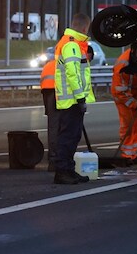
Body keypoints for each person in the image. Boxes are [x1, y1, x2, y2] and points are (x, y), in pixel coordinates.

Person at [52, 13, 96, 185]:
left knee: (72, 136)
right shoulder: (72, 45)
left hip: (70, 99)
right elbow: (72, 74)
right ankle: (62, 171)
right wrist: (80, 98)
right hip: (71, 100)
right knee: (68, 137)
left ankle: (68, 169)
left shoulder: (73, 44)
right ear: (85, 28)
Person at [110, 47, 137, 167]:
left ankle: (132, 154)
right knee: (127, 126)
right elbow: (119, 91)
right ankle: (126, 156)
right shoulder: (123, 64)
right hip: (123, 98)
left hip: (136, 96)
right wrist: (135, 104)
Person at [39, 53, 59, 172]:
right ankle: (56, 159)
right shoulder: (64, 63)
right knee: (59, 127)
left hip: (47, 92)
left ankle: (53, 158)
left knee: (53, 126)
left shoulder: (49, 64)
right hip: (58, 93)